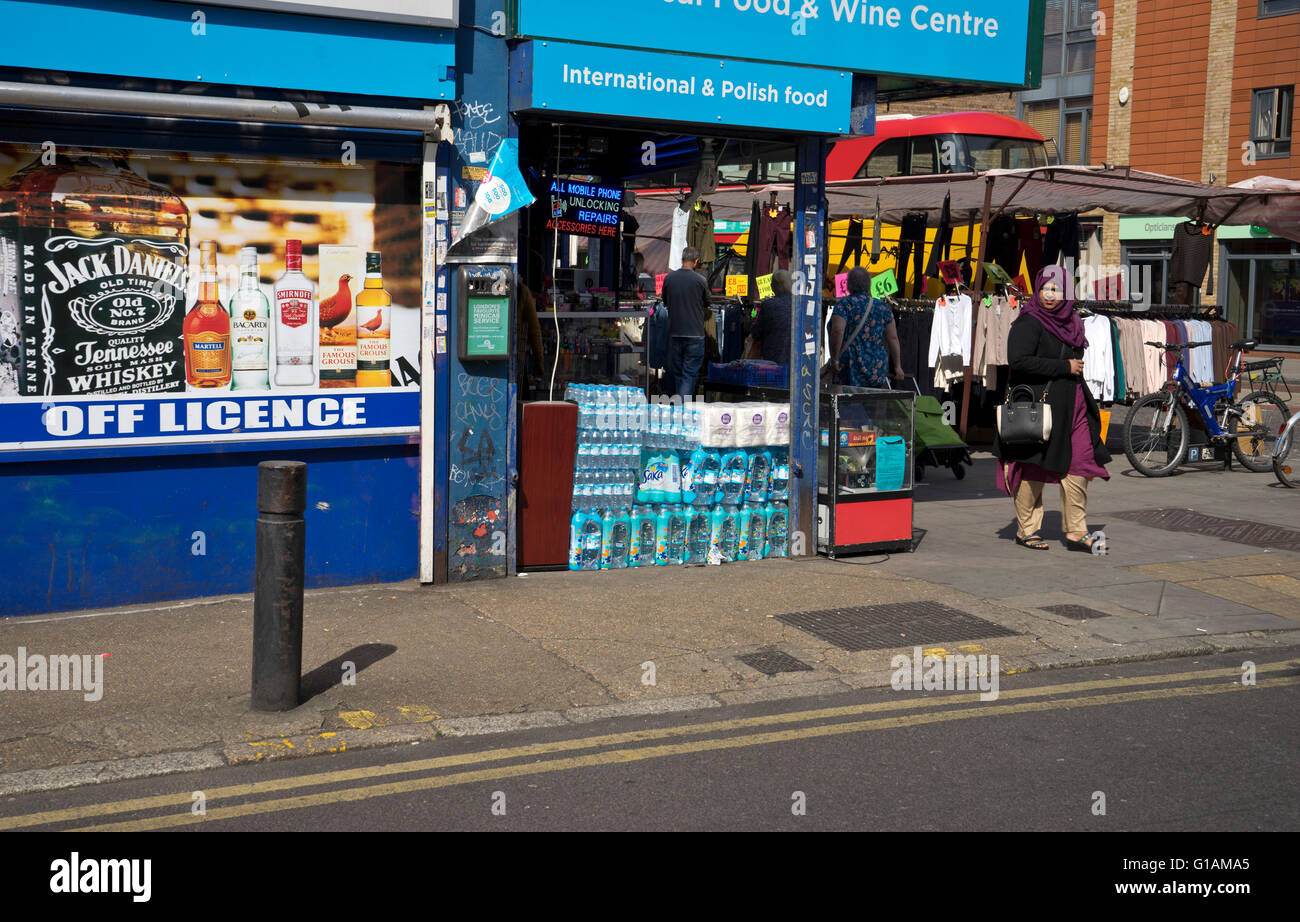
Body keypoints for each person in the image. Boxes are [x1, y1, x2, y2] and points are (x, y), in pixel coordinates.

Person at [995, 264, 1111, 552]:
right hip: (1040, 409)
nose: (1050, 294)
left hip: (1074, 407)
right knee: (1034, 468)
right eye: (1046, 288)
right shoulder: (1029, 321)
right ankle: (1027, 529)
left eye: (1056, 289)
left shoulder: (1073, 322)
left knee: (1081, 464)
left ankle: (1076, 530)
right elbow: (1018, 360)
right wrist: (1064, 366)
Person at [824, 267, 903, 387]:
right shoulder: (882, 307)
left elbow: (837, 331)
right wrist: (897, 366)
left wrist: (835, 359)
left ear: (849, 284)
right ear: (868, 284)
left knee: (846, 403)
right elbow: (893, 338)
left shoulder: (844, 304)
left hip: (849, 367)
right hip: (876, 368)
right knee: (871, 403)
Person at [661, 245, 710, 400]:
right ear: (696, 261)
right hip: (695, 334)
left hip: (675, 332)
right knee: (689, 374)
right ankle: (682, 410)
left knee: (675, 372)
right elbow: (707, 303)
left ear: (682, 260)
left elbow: (665, 302)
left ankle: (675, 406)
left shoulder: (669, 278)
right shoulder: (701, 280)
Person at [745, 269, 792, 366]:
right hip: (795, 363)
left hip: (772, 362)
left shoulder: (768, 305)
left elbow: (756, 333)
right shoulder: (800, 305)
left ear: (774, 286)